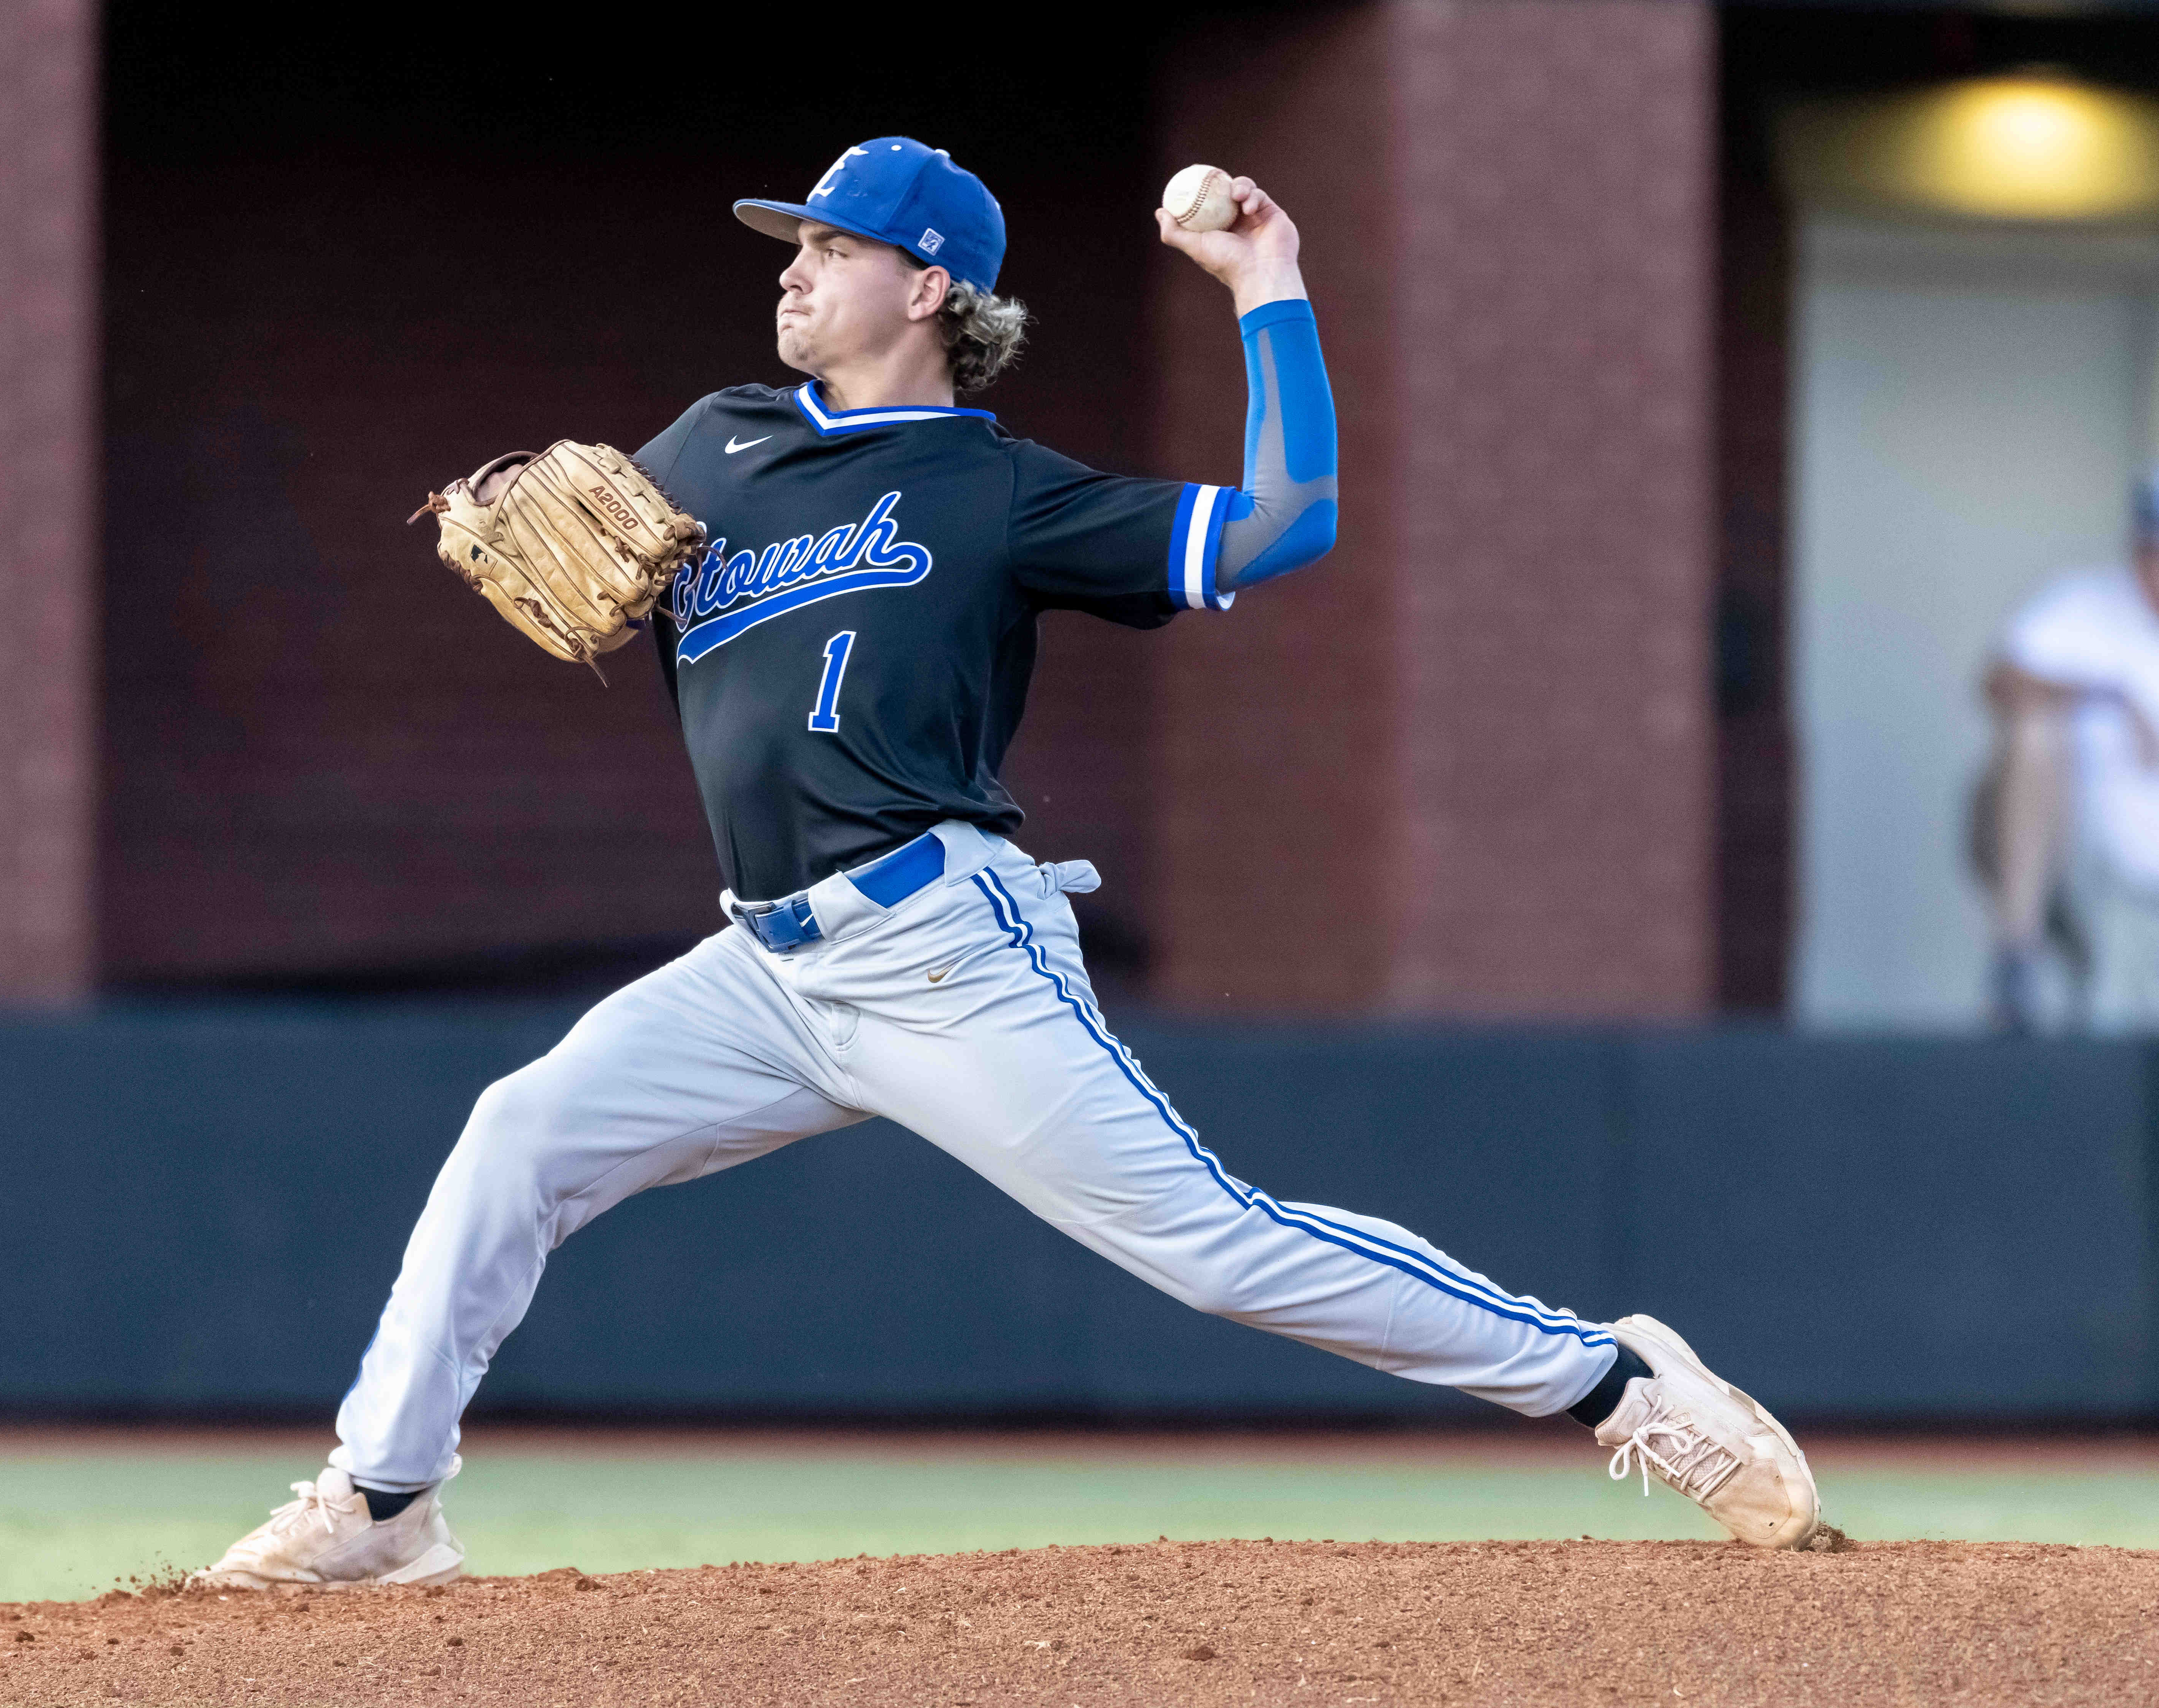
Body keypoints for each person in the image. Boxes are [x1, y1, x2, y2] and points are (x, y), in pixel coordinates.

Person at [194, 138, 1818, 1590]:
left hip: (941, 946)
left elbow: (1283, 523)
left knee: (1210, 1242)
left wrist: (1268, 280)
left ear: (924, 284)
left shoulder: (994, 486)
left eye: (827, 247)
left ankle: (1613, 1380)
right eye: (795, 242)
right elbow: (606, 590)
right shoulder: (706, 448)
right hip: (761, 966)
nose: (793, 266)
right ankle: (386, 1499)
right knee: (514, 1135)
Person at [1980, 470, 2159, 1033]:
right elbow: (1998, 684)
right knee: (2032, 734)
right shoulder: (2085, 604)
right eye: (2151, 552)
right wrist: (2104, 695)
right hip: (2088, 868)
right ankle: (2017, 955)